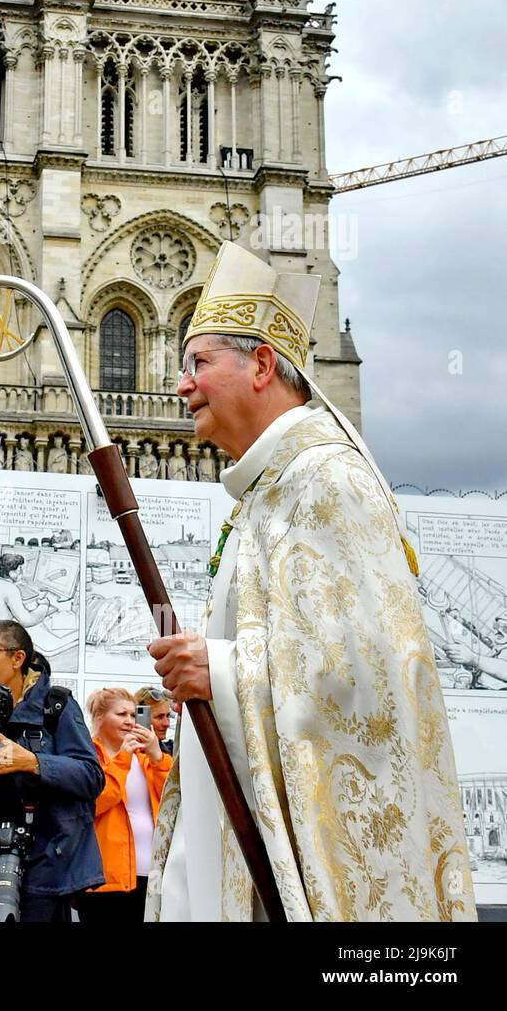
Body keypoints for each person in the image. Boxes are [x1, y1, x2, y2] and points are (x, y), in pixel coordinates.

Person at [147, 242, 475, 921]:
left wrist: (220, 669)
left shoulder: (327, 481)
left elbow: (368, 685)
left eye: (198, 364)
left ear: (262, 365)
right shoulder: (266, 491)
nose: (180, 386)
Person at [0, 620, 103, 922]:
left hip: (43, 873)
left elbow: (91, 776)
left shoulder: (56, 707)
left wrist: (34, 763)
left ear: (17, 658)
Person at [73, 688, 172, 923]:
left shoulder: (144, 756)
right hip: (105, 880)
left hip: (153, 877)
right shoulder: (88, 757)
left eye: (132, 714)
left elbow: (172, 801)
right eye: (121, 714)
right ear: (99, 717)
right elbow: (95, 803)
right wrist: (122, 759)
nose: (129, 721)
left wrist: (158, 757)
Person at [0, 554, 58, 629]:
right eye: (20, 569)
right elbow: (28, 621)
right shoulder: (10, 588)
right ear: (11, 573)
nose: (22, 572)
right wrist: (44, 605)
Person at [134, 685, 173, 755]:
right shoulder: (126, 754)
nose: (167, 724)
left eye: (168, 716)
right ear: (140, 719)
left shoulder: (172, 751)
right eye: (160, 717)